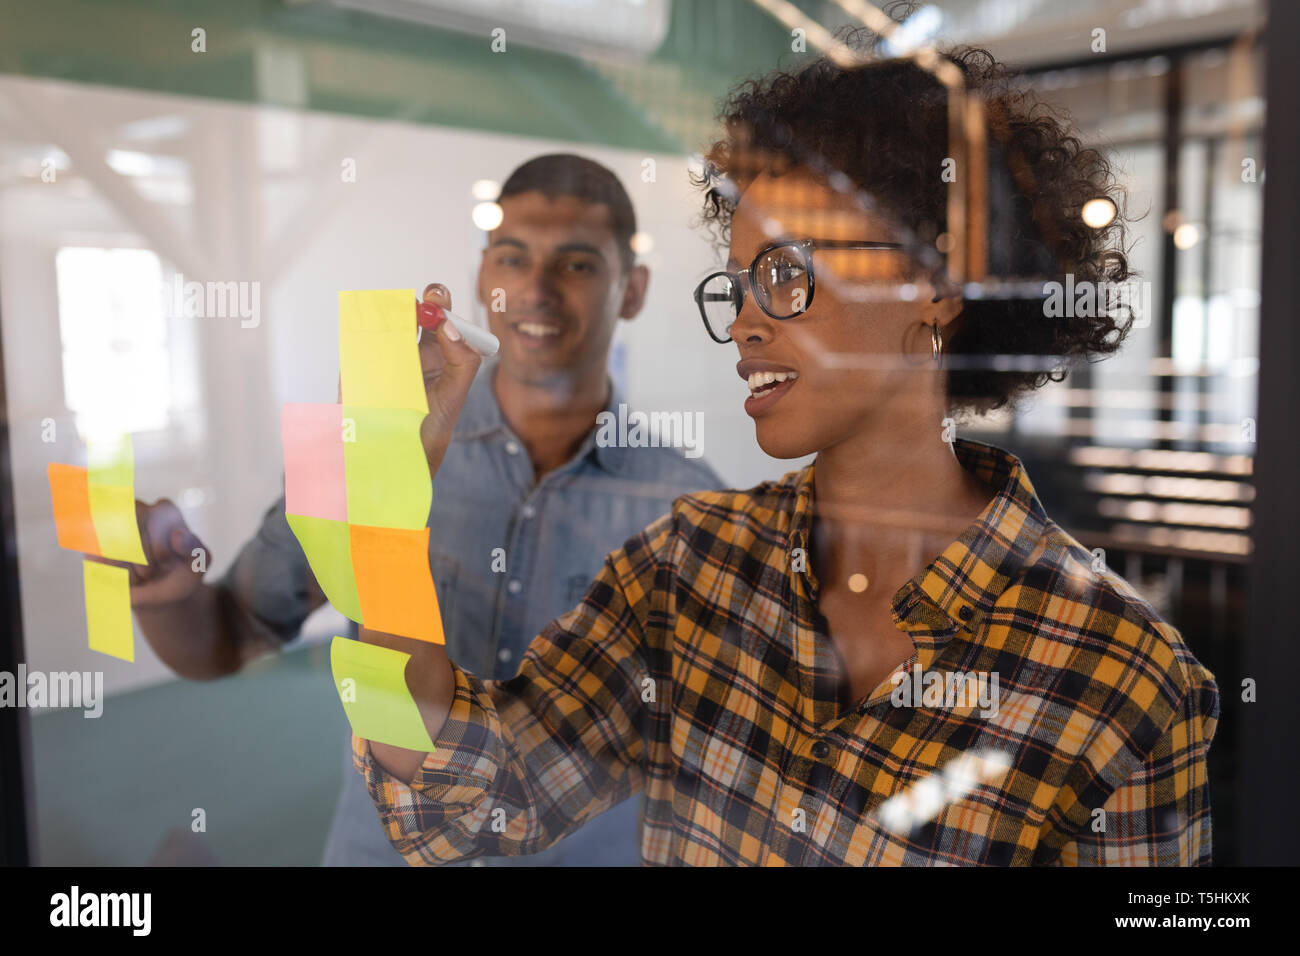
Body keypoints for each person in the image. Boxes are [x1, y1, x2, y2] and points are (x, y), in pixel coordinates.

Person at [355, 42, 1220, 865]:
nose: (743, 322)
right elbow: (468, 793)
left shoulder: (1120, 675)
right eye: (738, 286)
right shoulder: (687, 567)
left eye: (784, 272)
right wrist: (394, 493)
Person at [123, 153, 721, 865]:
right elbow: (227, 637)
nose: (535, 289)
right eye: (511, 258)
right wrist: (163, 595)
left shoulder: (684, 507)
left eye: (579, 264)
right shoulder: (372, 447)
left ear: (633, 289)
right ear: (480, 276)